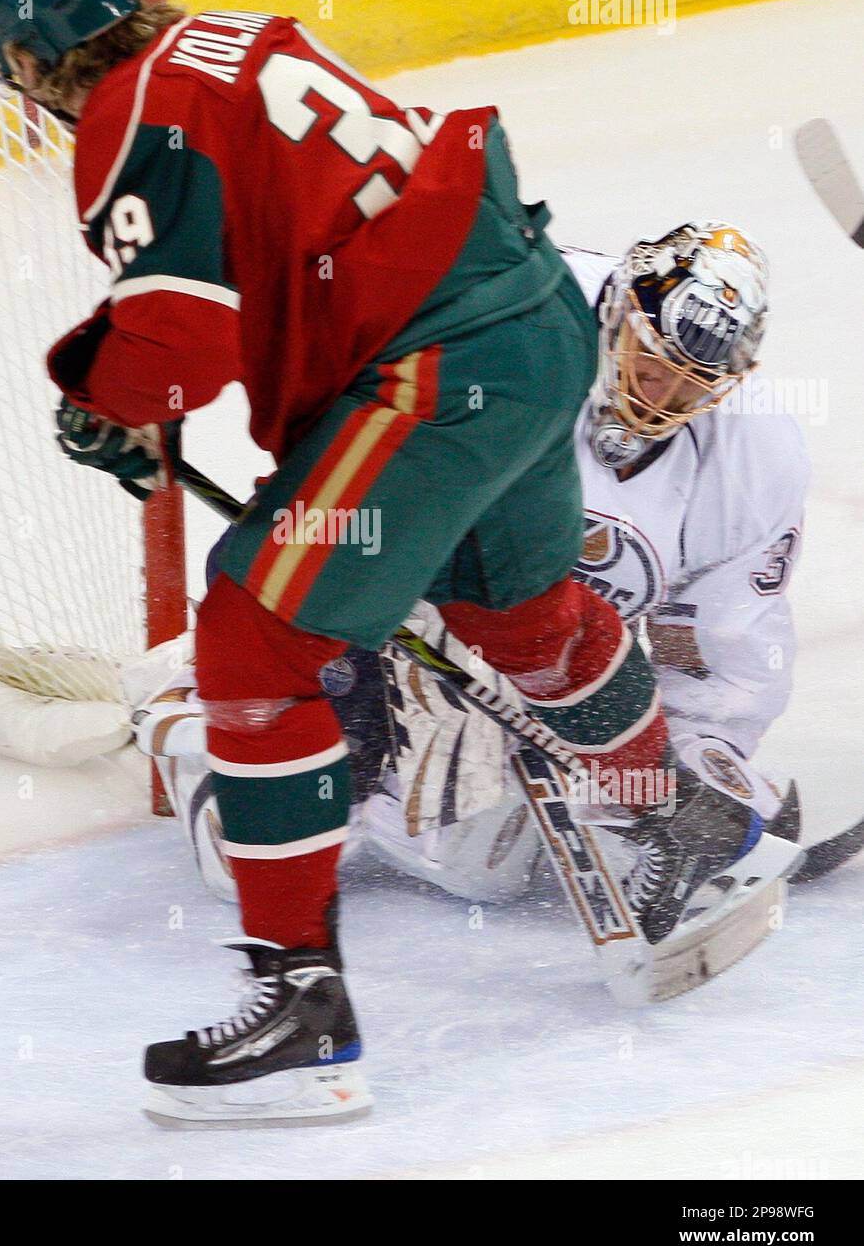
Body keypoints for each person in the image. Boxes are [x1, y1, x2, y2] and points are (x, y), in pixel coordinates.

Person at [0, 0, 800, 1124]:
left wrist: (102, 399)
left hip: (436, 371)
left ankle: (302, 1014)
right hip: (533, 322)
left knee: (254, 640)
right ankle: (686, 832)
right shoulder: (225, 41)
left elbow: (178, 336)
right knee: (522, 616)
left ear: (33, 56)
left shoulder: (129, 114)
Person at [143, 223, 832, 906]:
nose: (659, 399)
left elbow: (715, 654)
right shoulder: (504, 332)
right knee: (265, 850)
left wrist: (691, 771)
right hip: (394, 596)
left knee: (485, 869)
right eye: (650, 365)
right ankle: (210, 702)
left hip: (555, 658)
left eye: (689, 388)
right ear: (617, 312)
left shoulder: (756, 458)